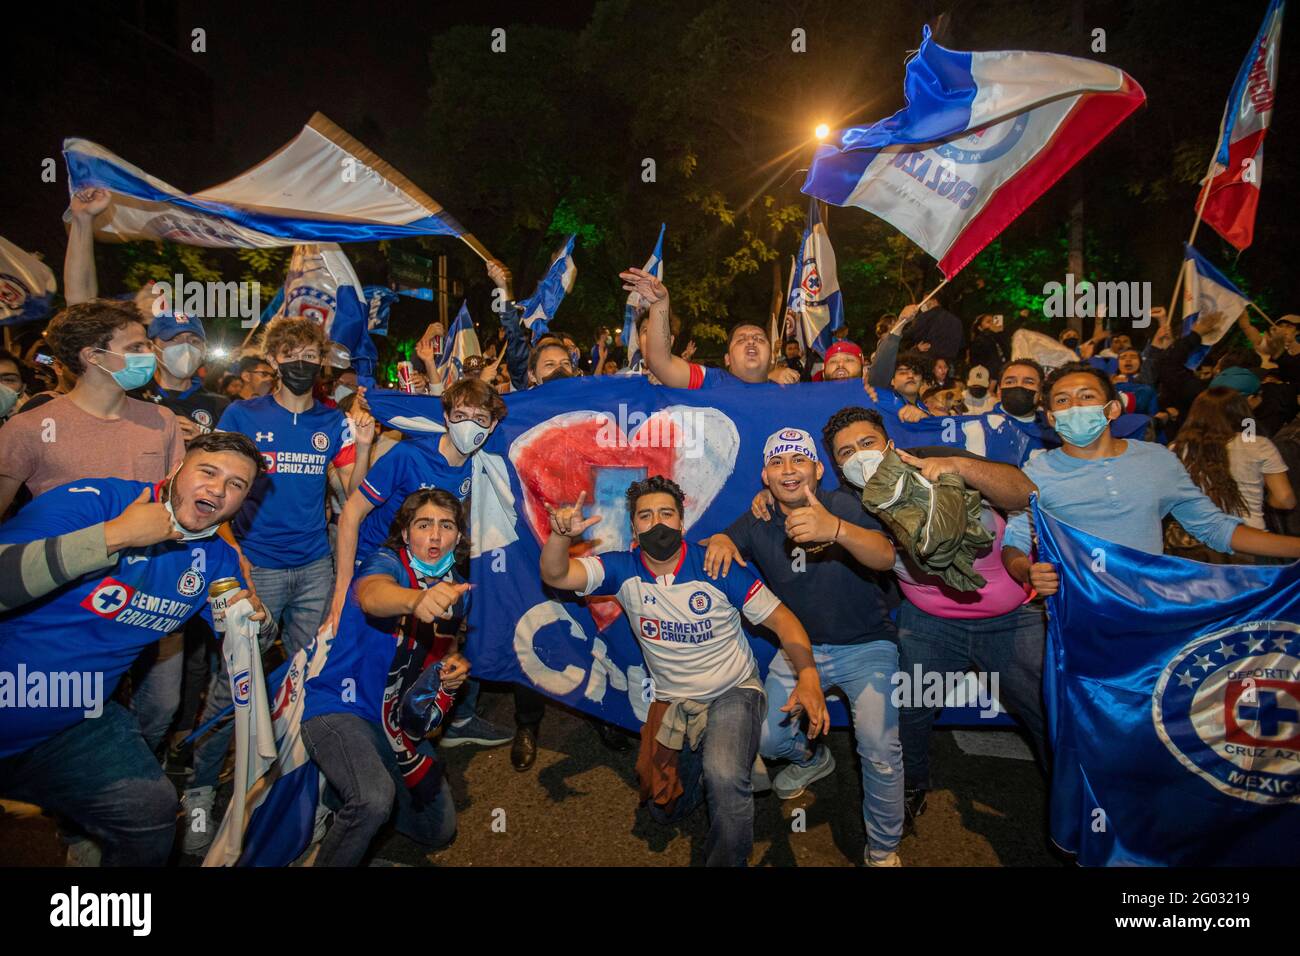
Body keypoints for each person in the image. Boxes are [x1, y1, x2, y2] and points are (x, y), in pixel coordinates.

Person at [0, 432, 265, 866]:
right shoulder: (94, 502)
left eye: (236, 485)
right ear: (175, 470)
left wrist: (251, 618)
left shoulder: (216, 559)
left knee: (150, 810)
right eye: (208, 471)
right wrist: (113, 536)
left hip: (72, 721)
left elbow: (248, 637)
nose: (218, 489)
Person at [539, 475, 828, 866]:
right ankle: (721, 765)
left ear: (681, 522)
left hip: (733, 690)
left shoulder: (715, 565)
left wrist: (808, 674)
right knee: (665, 807)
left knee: (724, 777)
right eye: (645, 516)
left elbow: (784, 621)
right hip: (674, 700)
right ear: (634, 528)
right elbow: (556, 575)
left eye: (666, 513)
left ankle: (727, 832)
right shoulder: (621, 569)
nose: (657, 523)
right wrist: (559, 537)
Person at [182, 315, 375, 853]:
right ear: (271, 358)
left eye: (308, 352)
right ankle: (199, 789)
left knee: (311, 680)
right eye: (287, 350)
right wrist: (235, 558)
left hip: (315, 567)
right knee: (234, 682)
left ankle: (302, 790)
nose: (298, 360)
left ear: (320, 361)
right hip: (257, 568)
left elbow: (349, 493)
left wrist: (361, 444)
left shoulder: (333, 418)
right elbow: (219, 487)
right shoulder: (244, 413)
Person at [701, 428, 905, 866]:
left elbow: (886, 556)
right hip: (800, 650)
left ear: (816, 469)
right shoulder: (758, 517)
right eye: (778, 462)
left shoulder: (844, 504)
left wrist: (835, 529)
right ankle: (813, 759)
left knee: (880, 749)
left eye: (798, 460)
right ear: (765, 476)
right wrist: (720, 539)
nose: (788, 470)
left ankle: (884, 849)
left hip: (867, 644)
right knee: (768, 741)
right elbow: (725, 540)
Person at [1003, 362, 1300, 598]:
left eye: (1087, 396)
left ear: (1113, 408)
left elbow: (1214, 528)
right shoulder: (1036, 472)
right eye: (1063, 400)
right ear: (1052, 418)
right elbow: (1013, 542)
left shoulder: (1158, 459)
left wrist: (1294, 547)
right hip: (1081, 610)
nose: (1076, 407)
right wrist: (1027, 571)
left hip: (1152, 606)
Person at [330, 377, 513, 751]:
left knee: (425, 650)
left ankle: (420, 723)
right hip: (379, 563)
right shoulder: (408, 456)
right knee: (369, 658)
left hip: (430, 568)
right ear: (445, 417)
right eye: (460, 415)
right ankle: (357, 741)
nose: (469, 425)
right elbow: (351, 513)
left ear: (492, 426)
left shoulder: (481, 467)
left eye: (480, 418)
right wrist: (343, 589)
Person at [301, 490, 471, 866]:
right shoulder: (386, 562)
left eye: (446, 526)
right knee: (373, 799)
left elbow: (447, 646)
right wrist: (413, 601)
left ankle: (338, 799)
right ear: (407, 533)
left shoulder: (458, 588)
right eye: (423, 525)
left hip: (395, 722)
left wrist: (454, 668)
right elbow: (371, 594)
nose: (435, 536)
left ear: (458, 537)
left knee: (437, 831)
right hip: (342, 709)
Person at [0, 300, 185, 517]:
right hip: (66, 548)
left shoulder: (161, 418)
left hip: (149, 549)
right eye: (135, 347)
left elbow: (176, 502)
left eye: (147, 345)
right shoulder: (27, 427)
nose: (149, 354)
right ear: (92, 356)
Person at [622, 266, 797, 387]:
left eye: (759, 339)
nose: (751, 341)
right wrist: (660, 302)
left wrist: (774, 379)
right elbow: (660, 363)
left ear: (771, 358)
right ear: (727, 359)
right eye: (741, 339)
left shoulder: (790, 392)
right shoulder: (711, 382)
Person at [1169, 387, 1294, 554]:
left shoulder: (1176, 448)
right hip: (1248, 540)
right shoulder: (1259, 445)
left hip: (1193, 543)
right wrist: (1264, 497)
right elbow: (1284, 500)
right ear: (1241, 413)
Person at [133, 311, 229, 442]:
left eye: (194, 340)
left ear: (204, 350)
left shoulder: (220, 405)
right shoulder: (134, 396)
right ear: (152, 347)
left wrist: (201, 442)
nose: (186, 347)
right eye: (174, 339)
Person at [899, 296, 963, 361]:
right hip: (948, 363)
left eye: (925, 300)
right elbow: (960, 345)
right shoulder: (956, 320)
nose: (923, 303)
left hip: (929, 360)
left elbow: (911, 334)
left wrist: (898, 332)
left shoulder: (925, 316)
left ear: (934, 300)